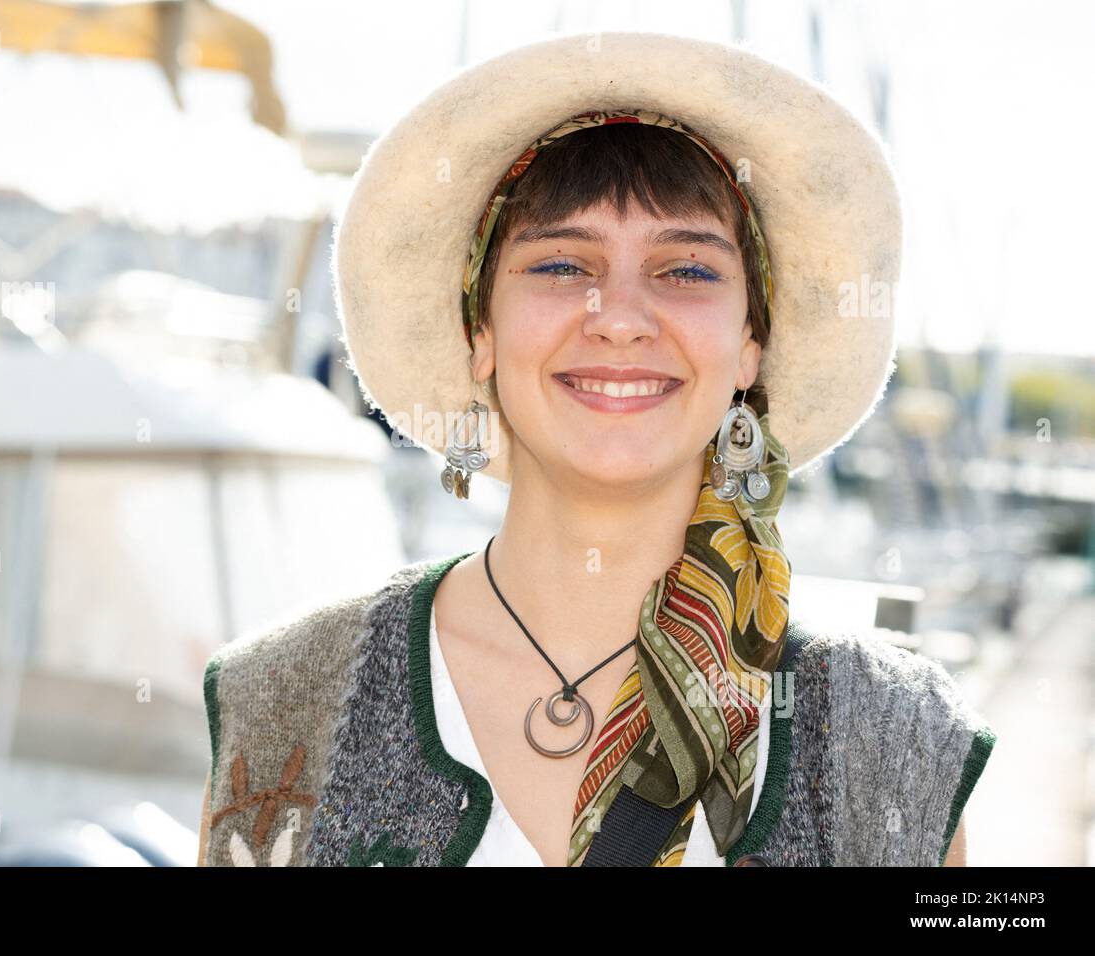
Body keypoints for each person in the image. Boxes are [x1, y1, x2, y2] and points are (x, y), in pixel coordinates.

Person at [198, 31, 996, 867]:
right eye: (558, 264)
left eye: (686, 270)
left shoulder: (893, 739)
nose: (618, 316)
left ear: (750, 347)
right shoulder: (284, 696)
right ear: (481, 333)